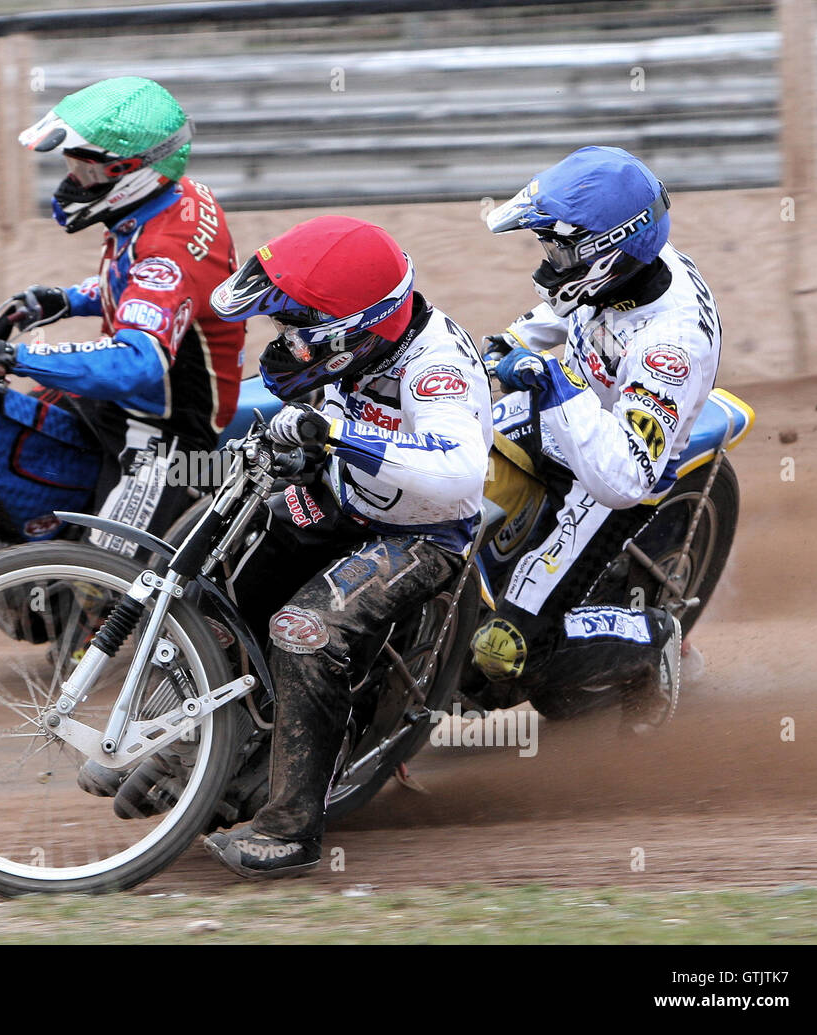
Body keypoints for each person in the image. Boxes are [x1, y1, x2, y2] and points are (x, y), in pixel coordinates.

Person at [200, 214, 492, 878]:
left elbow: (458, 472)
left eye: (294, 327)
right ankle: (194, 740)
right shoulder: (363, 344)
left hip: (424, 532)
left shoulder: (436, 367)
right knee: (218, 578)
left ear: (350, 331)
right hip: (344, 496)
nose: (283, 341)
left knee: (306, 629)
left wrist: (333, 435)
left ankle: (291, 831)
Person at [470, 145, 722, 733]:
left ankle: (653, 637)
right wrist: (511, 342)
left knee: (503, 652)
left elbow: (622, 479)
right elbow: (576, 308)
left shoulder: (671, 347)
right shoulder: (631, 266)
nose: (547, 258)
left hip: (610, 465)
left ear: (609, 251)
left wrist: (552, 382)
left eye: (558, 246)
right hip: (569, 418)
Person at [0, 76, 246, 554]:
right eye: (73, 168)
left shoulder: (164, 252)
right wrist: (69, 300)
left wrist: (21, 356)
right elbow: (143, 292)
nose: (75, 182)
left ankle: (105, 616)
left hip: (167, 428)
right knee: (29, 432)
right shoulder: (173, 201)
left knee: (104, 583)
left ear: (133, 170)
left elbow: (138, 361)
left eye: (88, 172)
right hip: (123, 401)